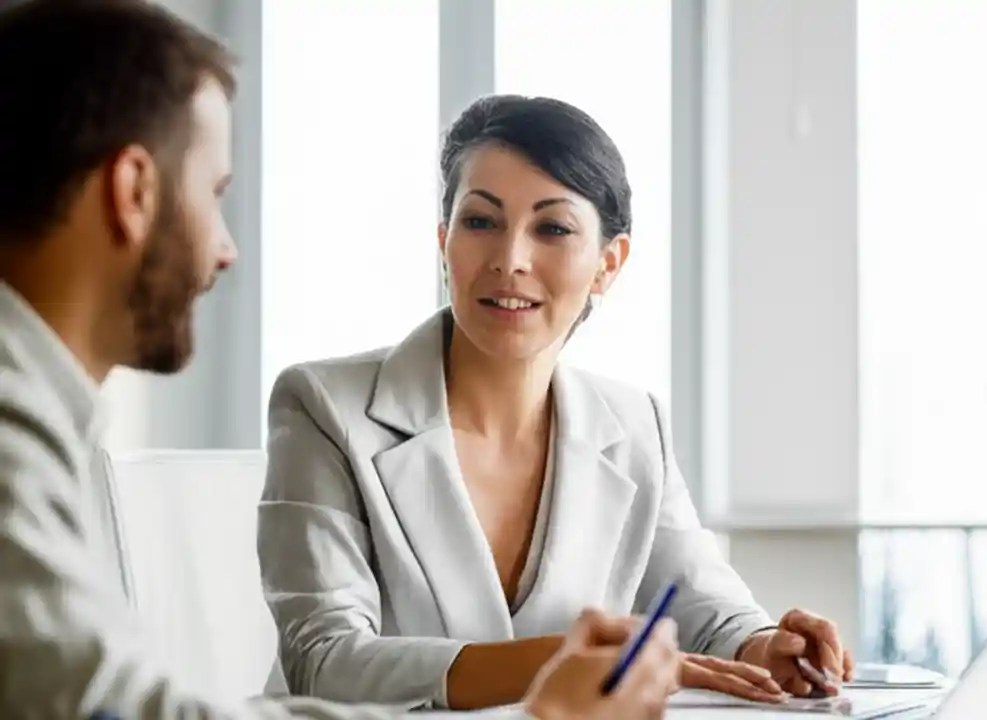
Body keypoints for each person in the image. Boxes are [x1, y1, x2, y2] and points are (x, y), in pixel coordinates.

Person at [0, 1, 677, 718]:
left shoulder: (42, 411)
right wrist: (546, 713)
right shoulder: (16, 423)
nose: (226, 249)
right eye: (214, 193)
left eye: (551, 227)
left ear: (609, 262)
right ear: (133, 191)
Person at [257, 94, 856, 712]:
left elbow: (701, 607)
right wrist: (555, 662)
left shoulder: (634, 425)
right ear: (444, 243)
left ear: (608, 263)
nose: (510, 260)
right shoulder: (324, 406)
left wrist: (761, 647)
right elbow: (323, 658)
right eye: (481, 222)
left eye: (552, 229)